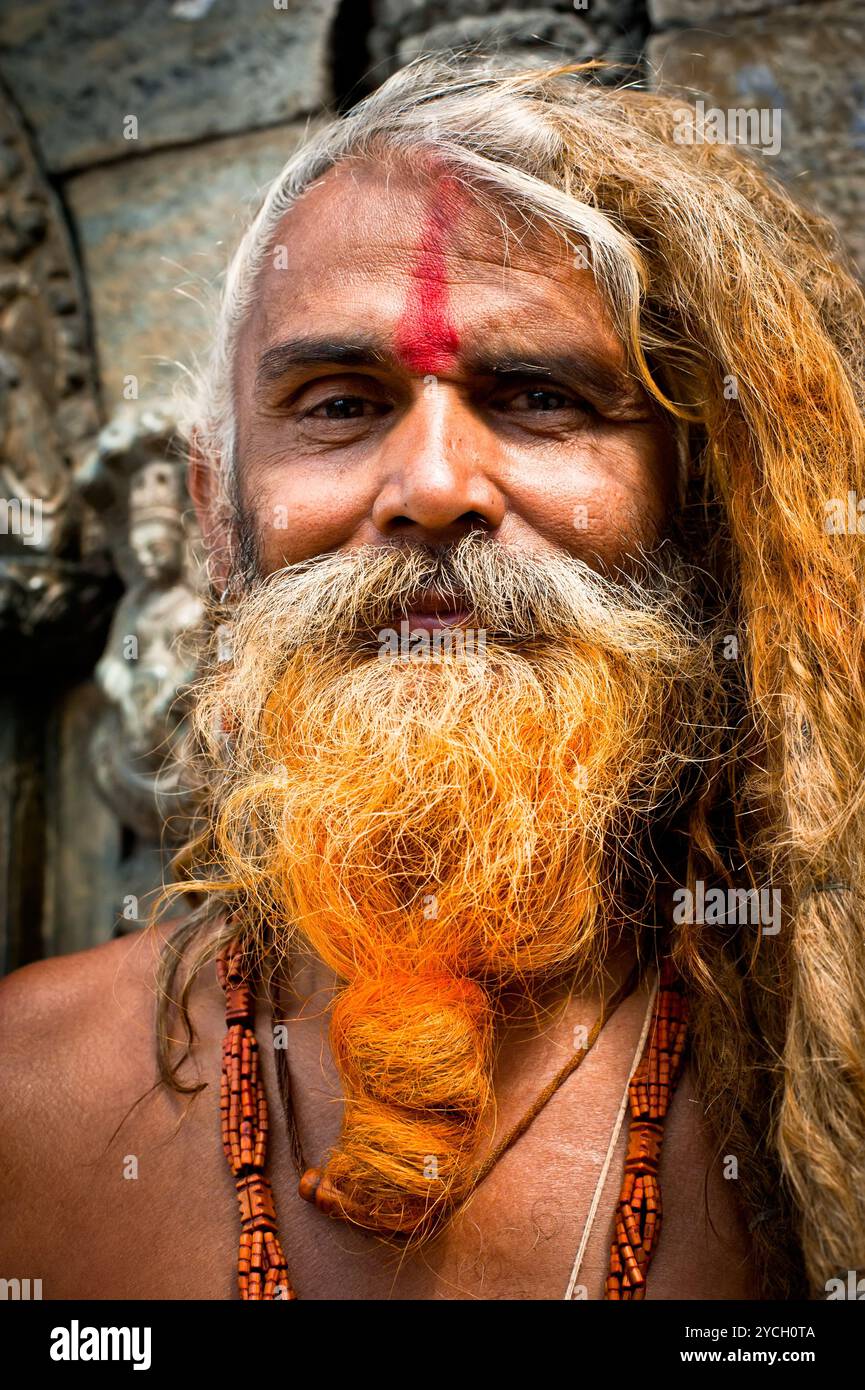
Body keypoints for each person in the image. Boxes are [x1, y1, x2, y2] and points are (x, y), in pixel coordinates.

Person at [2, 55, 863, 1302]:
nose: (435, 486)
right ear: (218, 517)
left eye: (537, 396)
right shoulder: (29, 1096)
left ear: (694, 507)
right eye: (342, 403)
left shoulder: (816, 1090)